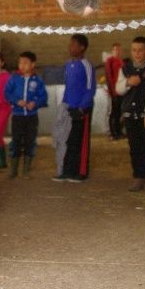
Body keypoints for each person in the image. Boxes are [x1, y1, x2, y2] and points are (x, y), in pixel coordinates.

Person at [115, 36, 145, 192]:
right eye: (134, 50)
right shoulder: (125, 69)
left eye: (140, 50)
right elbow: (118, 89)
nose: (137, 53)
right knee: (134, 146)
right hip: (130, 114)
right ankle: (138, 176)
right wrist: (128, 82)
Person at [52, 34, 96, 182]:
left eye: (73, 44)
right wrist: (64, 105)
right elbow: (68, 87)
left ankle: (81, 172)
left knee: (80, 141)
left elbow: (90, 88)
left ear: (82, 47)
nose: (70, 47)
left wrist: (82, 107)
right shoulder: (68, 65)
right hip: (69, 108)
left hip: (82, 110)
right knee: (68, 141)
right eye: (70, 44)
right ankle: (68, 171)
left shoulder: (87, 65)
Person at [4, 51, 48, 179]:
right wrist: (17, 101)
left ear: (33, 64)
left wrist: (35, 103)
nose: (21, 65)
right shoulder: (14, 78)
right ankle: (13, 170)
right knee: (16, 140)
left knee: (30, 141)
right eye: (20, 62)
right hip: (17, 116)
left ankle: (26, 171)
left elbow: (43, 96)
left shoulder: (38, 80)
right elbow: (7, 93)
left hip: (31, 117)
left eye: (25, 63)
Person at [105, 43, 125, 140]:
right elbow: (109, 76)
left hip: (121, 91)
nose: (117, 51)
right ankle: (113, 133)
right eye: (115, 50)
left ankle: (118, 131)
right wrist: (112, 91)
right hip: (114, 91)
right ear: (112, 51)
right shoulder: (110, 61)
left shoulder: (121, 62)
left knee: (119, 112)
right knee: (113, 112)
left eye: (118, 50)